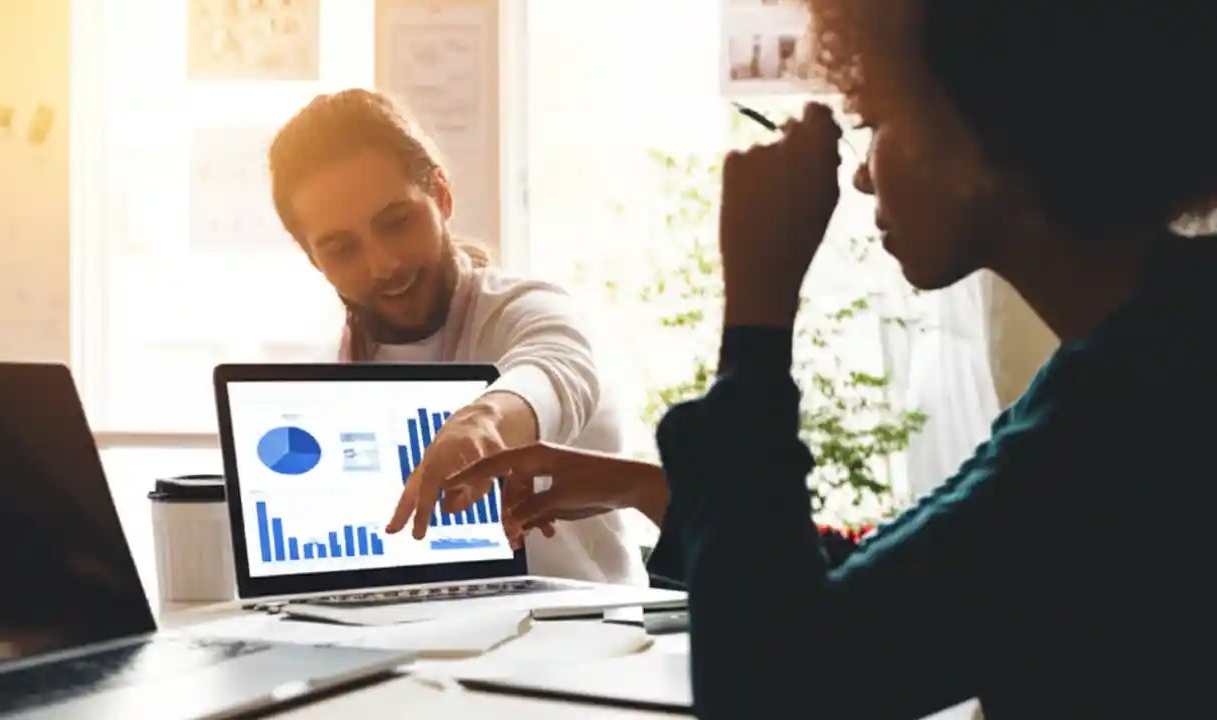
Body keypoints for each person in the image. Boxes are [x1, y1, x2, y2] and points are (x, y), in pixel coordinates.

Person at [414, 0, 1217, 716]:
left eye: (873, 122)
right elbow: (892, 587)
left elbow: (780, 687)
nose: (862, 174)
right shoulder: (1140, 354)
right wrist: (637, 487)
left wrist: (759, 307)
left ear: (989, 129)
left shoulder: (1133, 413)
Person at [267, 89, 646, 586]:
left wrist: (484, 421)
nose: (384, 264)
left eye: (397, 222)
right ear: (315, 261)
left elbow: (554, 371)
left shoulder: (527, 312)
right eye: (342, 249)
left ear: (441, 195)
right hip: (406, 646)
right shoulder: (321, 383)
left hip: (584, 641)